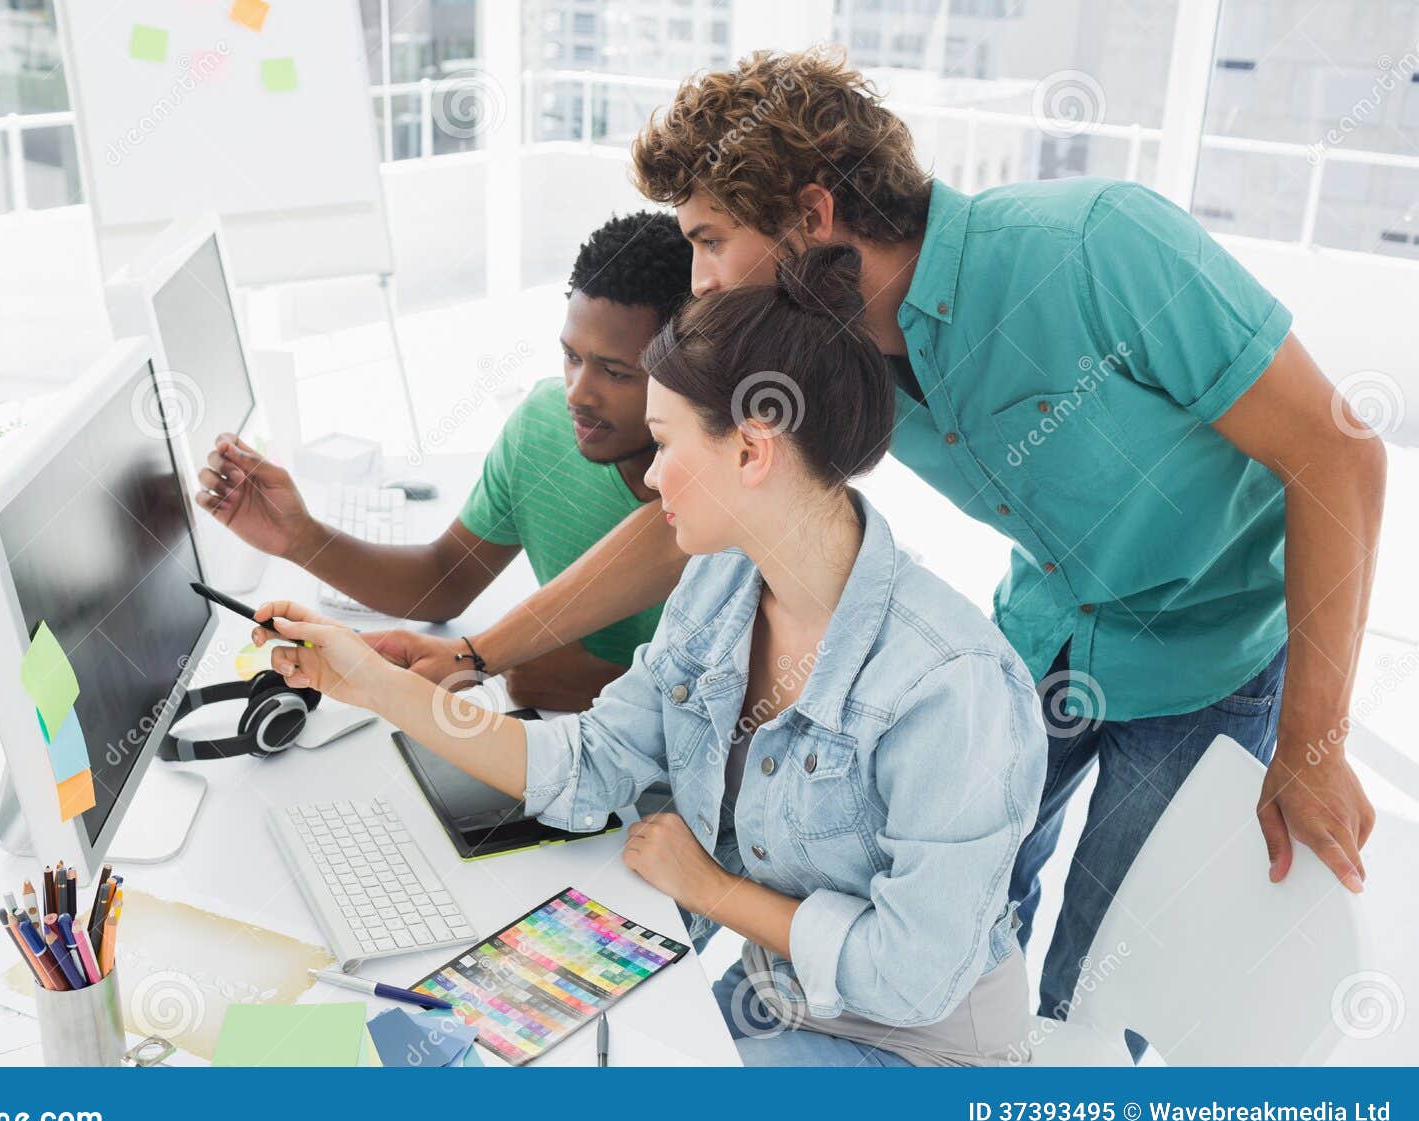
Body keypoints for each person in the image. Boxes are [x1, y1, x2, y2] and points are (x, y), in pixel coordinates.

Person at [364, 47, 1386, 1030]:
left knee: (1098, 975)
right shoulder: (828, 336)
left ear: (812, 215)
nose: (702, 278)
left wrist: (1311, 740)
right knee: (952, 927)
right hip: (1044, 631)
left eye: (711, 238)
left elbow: (1340, 455)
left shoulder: (1094, 248)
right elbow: (687, 521)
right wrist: (469, 654)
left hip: (1212, 652)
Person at [249, 246, 1047, 1066]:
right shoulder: (720, 585)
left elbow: (914, 976)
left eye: (665, 444)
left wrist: (713, 890)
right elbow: (590, 760)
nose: (653, 477)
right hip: (777, 991)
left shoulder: (951, 684)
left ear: (751, 449)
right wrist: (372, 681)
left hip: (918, 1052)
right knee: (431, 1053)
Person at [194, 211, 692, 710]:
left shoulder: (728, 497)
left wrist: (587, 684)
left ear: (687, 369)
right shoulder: (542, 427)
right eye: (571, 357)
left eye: (615, 373)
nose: (578, 394)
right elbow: (445, 581)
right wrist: (301, 537)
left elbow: (739, 702)